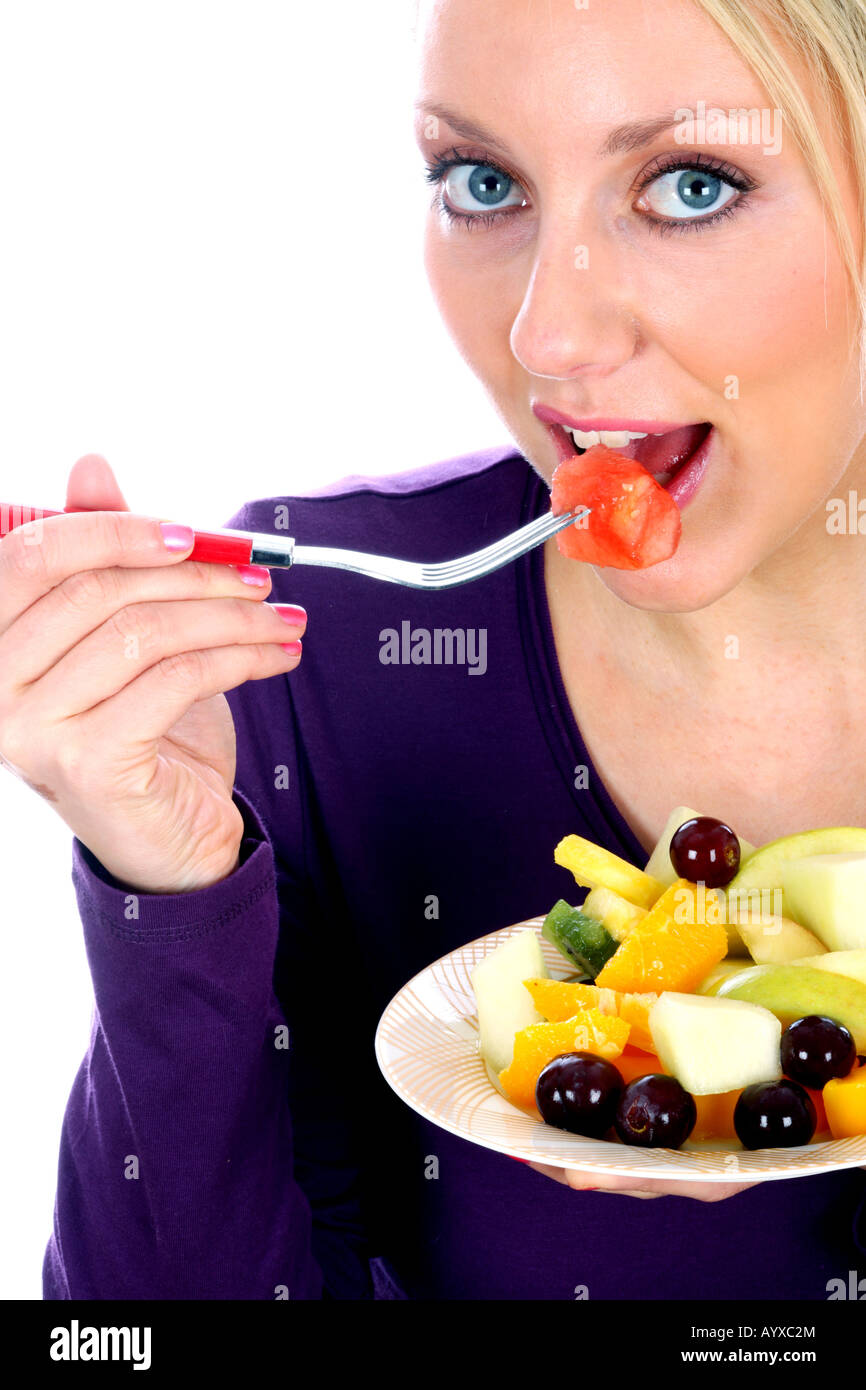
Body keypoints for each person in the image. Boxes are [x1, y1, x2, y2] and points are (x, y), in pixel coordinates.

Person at [2, 0, 865, 1299]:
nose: (546, 339)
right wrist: (172, 890)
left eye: (691, 184)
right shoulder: (315, 660)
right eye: (483, 181)